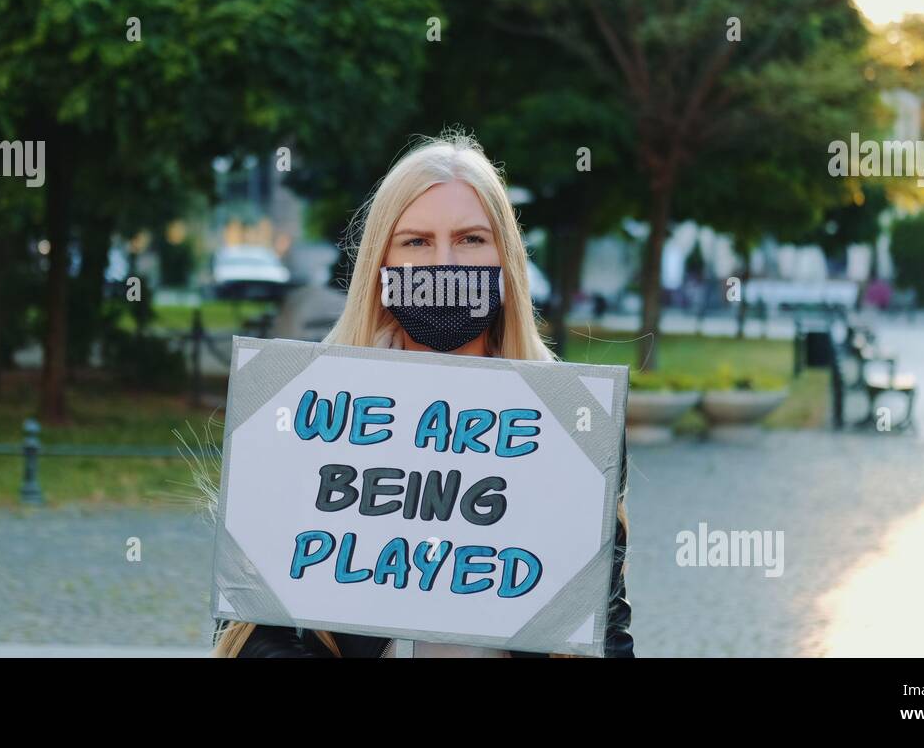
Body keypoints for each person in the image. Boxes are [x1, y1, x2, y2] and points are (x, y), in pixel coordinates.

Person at [213, 131, 635, 658]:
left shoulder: (571, 423)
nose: (446, 265)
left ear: (506, 262)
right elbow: (251, 634)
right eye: (416, 242)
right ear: (382, 266)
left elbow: (607, 630)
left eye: (471, 239)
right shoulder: (304, 409)